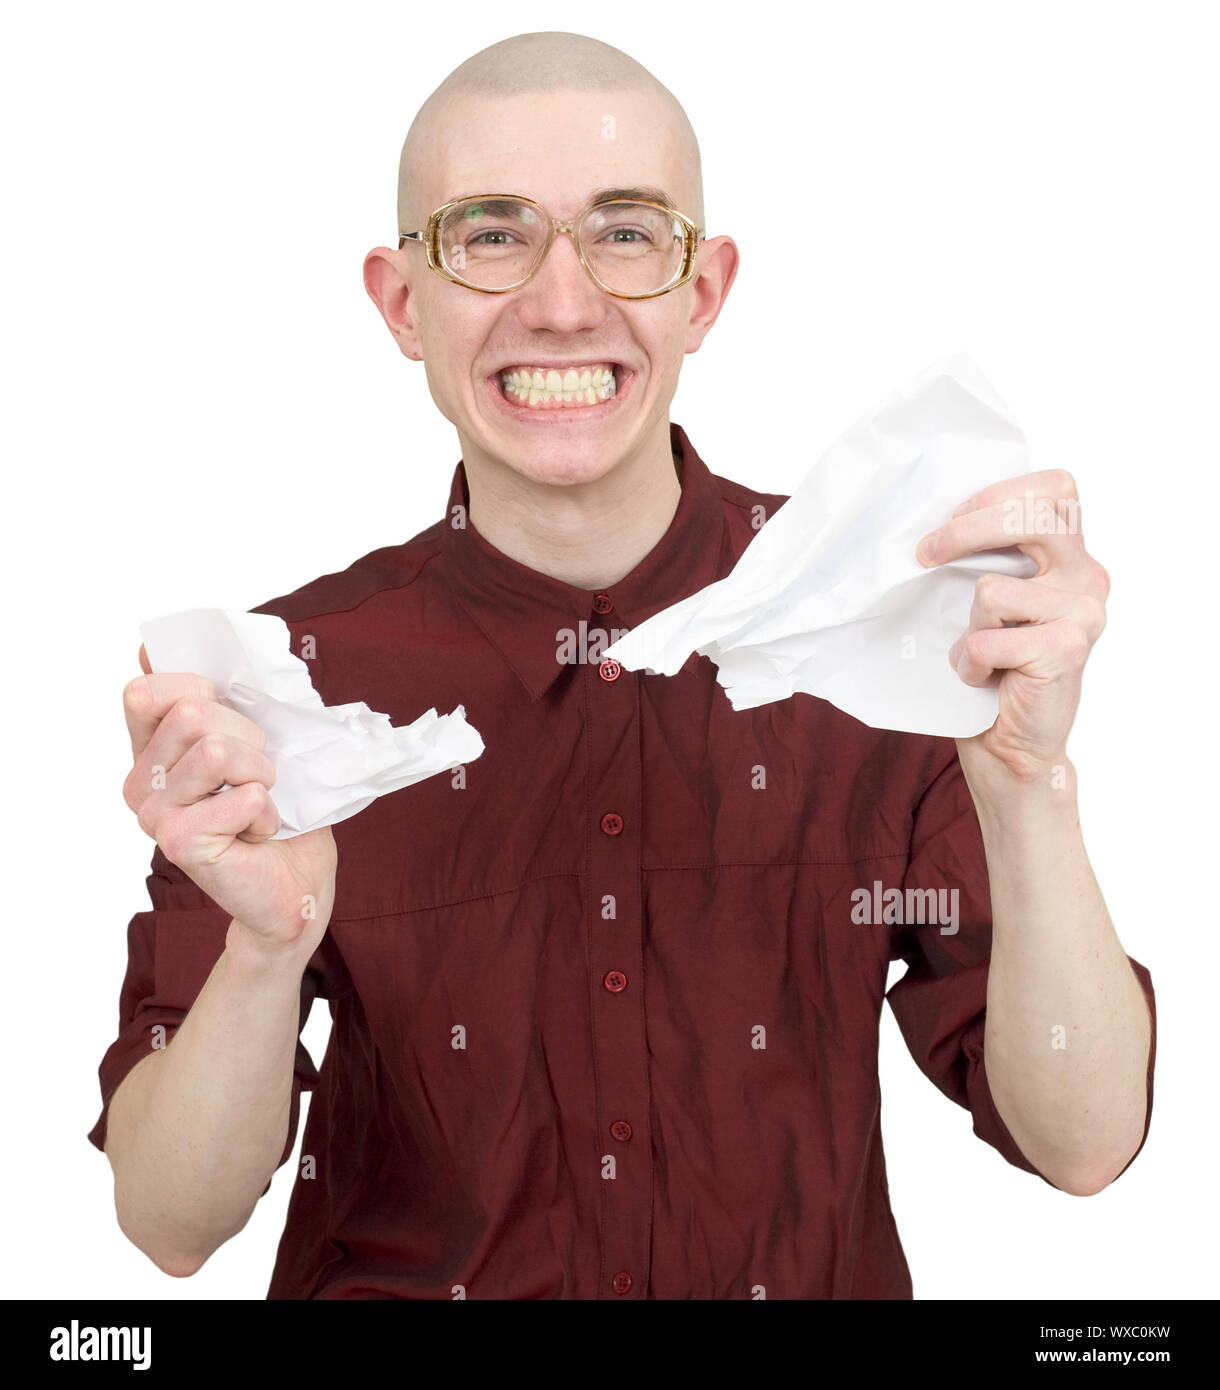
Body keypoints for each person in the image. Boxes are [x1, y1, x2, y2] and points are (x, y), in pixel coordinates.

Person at [90, 31, 1155, 1300]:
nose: (559, 302)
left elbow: (1083, 1142)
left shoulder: (887, 640)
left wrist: (1028, 782)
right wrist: (266, 953)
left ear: (700, 292)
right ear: (399, 300)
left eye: (626, 232)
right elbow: (169, 1222)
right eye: (490, 234)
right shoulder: (287, 691)